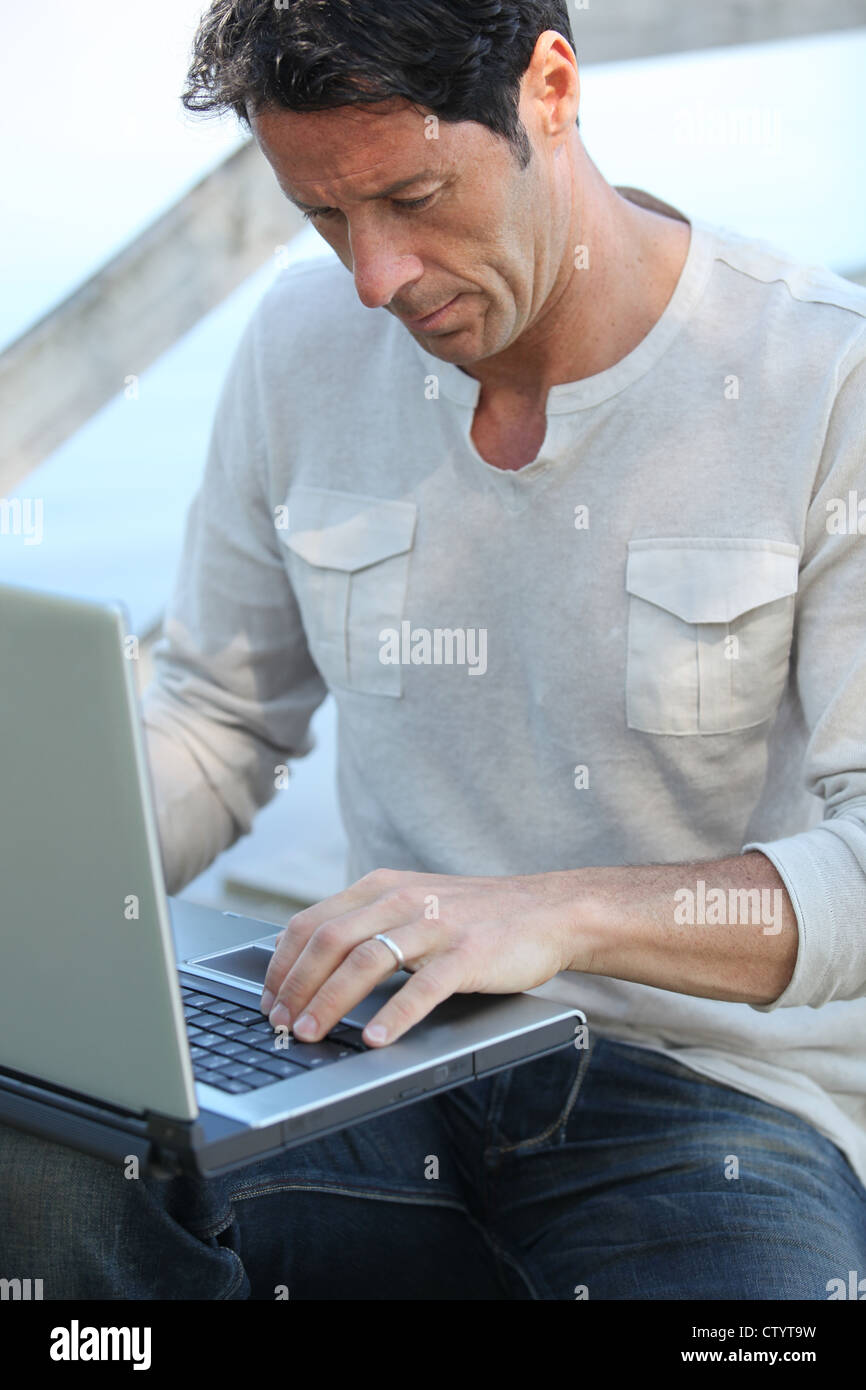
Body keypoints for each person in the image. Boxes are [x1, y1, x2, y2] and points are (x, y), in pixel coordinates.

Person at [3, 0, 865, 1300]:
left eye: (411, 196)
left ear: (551, 90)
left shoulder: (820, 381)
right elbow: (219, 718)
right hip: (365, 1057)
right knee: (41, 1161)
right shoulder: (301, 347)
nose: (373, 277)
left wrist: (547, 908)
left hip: (717, 1103)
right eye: (323, 216)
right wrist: (46, 884)